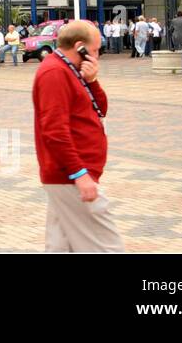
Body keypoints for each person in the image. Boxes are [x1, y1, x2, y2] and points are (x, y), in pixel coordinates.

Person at [32, 21, 124, 252]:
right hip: (71, 176)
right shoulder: (55, 72)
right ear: (80, 46)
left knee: (60, 247)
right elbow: (54, 130)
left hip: (68, 176)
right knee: (106, 247)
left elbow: (100, 109)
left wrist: (92, 82)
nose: (97, 57)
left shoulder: (70, 71)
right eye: (94, 51)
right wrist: (80, 174)